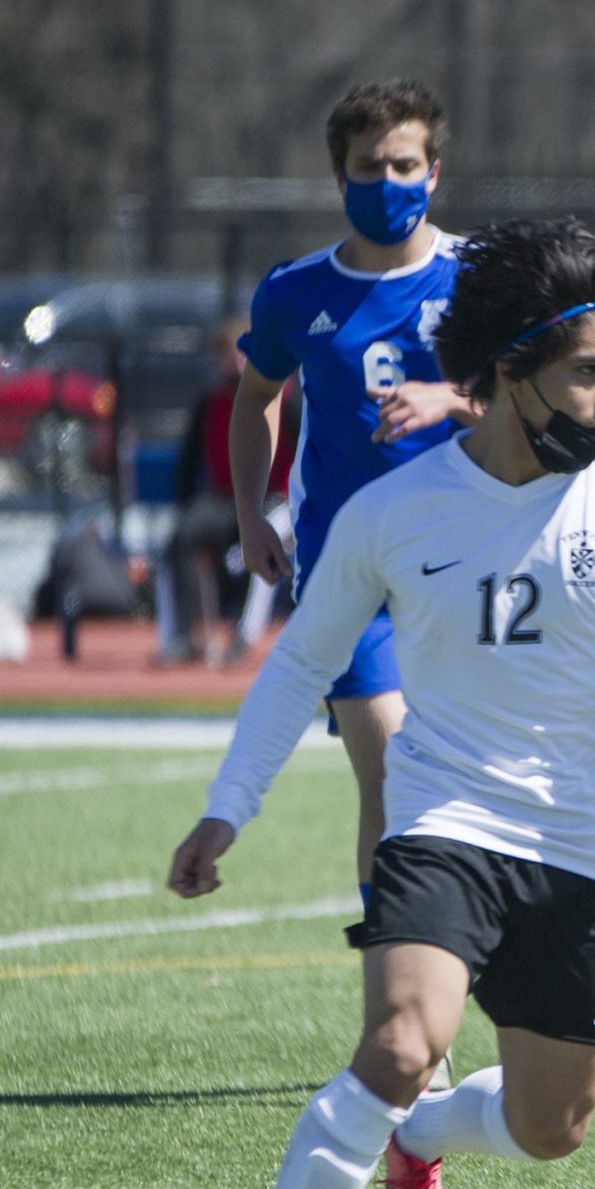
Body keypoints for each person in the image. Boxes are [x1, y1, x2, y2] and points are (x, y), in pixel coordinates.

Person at [168, 218, 595, 1189]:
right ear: (510, 375)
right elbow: (297, 663)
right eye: (589, 372)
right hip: (441, 823)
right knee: (398, 1040)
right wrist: (230, 804)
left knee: (553, 1128)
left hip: (581, 847)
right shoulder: (394, 513)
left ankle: (420, 1137)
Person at [228, 79, 479, 910]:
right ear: (339, 179)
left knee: (472, 789)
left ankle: (471, 978)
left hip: (474, 562)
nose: (386, 182)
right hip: (351, 572)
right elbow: (256, 395)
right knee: (393, 770)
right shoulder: (296, 291)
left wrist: (451, 398)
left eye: (403, 164)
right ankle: (402, 1007)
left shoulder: (479, 278)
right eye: (368, 166)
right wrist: (248, 516)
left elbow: (542, 393)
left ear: (434, 171)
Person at [159, 315, 297, 666]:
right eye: (227, 353)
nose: (235, 362)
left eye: (242, 354)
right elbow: (189, 465)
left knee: (270, 540)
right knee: (179, 538)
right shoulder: (211, 403)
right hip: (228, 500)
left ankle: (244, 636)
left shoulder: (290, 401)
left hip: (278, 501)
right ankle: (184, 637)